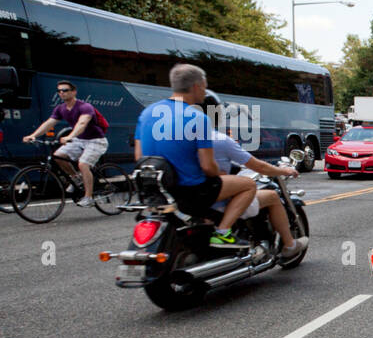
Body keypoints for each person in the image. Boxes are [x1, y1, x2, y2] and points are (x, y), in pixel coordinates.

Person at [134, 64, 255, 248]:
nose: (204, 92)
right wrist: (221, 173)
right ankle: (223, 233)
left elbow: (139, 156)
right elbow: (208, 167)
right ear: (196, 87)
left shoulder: (147, 112)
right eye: (204, 87)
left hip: (160, 190)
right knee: (248, 185)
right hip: (191, 191)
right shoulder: (199, 118)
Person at [208, 127, 308, 259]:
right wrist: (284, 171)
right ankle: (289, 244)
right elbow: (258, 166)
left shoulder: (181, 139)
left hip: (189, 197)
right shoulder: (220, 140)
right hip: (214, 198)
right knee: (269, 195)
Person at [23, 80, 109, 208]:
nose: (61, 93)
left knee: (83, 164)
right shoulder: (60, 109)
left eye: (65, 90)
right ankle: (76, 178)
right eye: (59, 91)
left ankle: (88, 197)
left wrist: (70, 136)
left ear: (74, 92)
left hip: (96, 140)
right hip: (79, 140)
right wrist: (33, 135)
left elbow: (82, 124)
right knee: (59, 155)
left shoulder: (85, 107)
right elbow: (49, 123)